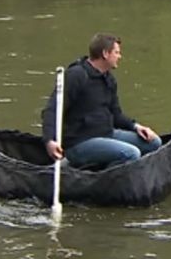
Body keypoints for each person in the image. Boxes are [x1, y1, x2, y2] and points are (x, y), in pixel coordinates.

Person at [41, 33, 161, 169]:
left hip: (106, 133)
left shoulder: (109, 79)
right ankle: (100, 177)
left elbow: (116, 115)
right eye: (116, 52)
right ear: (105, 53)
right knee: (131, 153)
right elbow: (52, 110)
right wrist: (49, 141)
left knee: (154, 142)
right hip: (79, 142)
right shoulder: (76, 75)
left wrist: (137, 127)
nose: (119, 57)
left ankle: (104, 164)